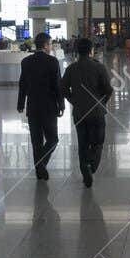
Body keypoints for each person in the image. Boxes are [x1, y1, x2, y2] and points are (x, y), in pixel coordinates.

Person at [63, 37, 113, 187]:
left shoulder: (71, 69)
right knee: (98, 142)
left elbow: (63, 88)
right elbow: (108, 89)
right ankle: (92, 165)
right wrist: (102, 102)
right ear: (91, 50)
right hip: (97, 112)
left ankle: (85, 169)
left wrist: (74, 101)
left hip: (79, 113)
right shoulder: (99, 67)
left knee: (82, 143)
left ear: (77, 51)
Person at [16, 31, 63, 180]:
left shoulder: (26, 62)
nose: (51, 47)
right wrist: (61, 104)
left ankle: (39, 169)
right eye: (50, 44)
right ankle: (41, 164)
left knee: (36, 141)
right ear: (45, 45)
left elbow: (23, 84)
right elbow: (57, 85)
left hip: (33, 106)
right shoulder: (52, 61)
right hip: (49, 106)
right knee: (52, 139)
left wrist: (20, 103)